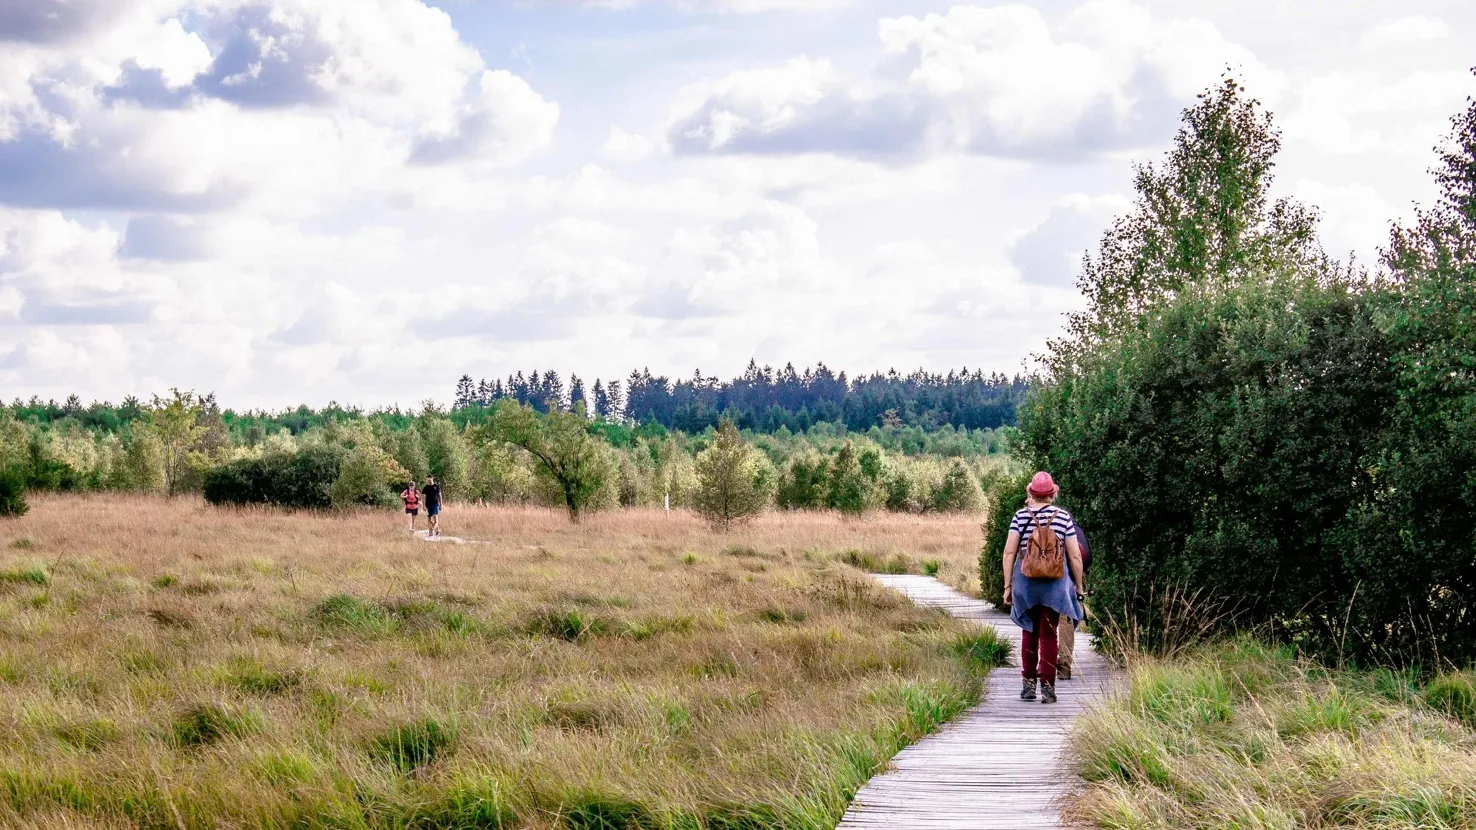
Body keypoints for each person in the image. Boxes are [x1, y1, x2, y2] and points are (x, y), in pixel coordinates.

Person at [1002, 471, 1085, 705]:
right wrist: (1078, 586)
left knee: (1028, 631)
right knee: (1049, 634)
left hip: (1026, 584)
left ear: (1031, 492)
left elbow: (1009, 552)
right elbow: (1075, 556)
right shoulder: (1063, 517)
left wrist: (1008, 585)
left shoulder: (1020, 516)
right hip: (1054, 585)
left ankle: (1029, 684)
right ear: (1052, 494)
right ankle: (1048, 687)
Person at [1058, 523, 1091, 680]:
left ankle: (1043, 665)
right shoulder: (1066, 520)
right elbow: (1076, 556)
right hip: (1064, 578)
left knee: (1042, 622)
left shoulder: (1027, 517)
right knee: (1065, 619)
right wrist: (1079, 585)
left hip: (1036, 579)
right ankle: (1064, 665)